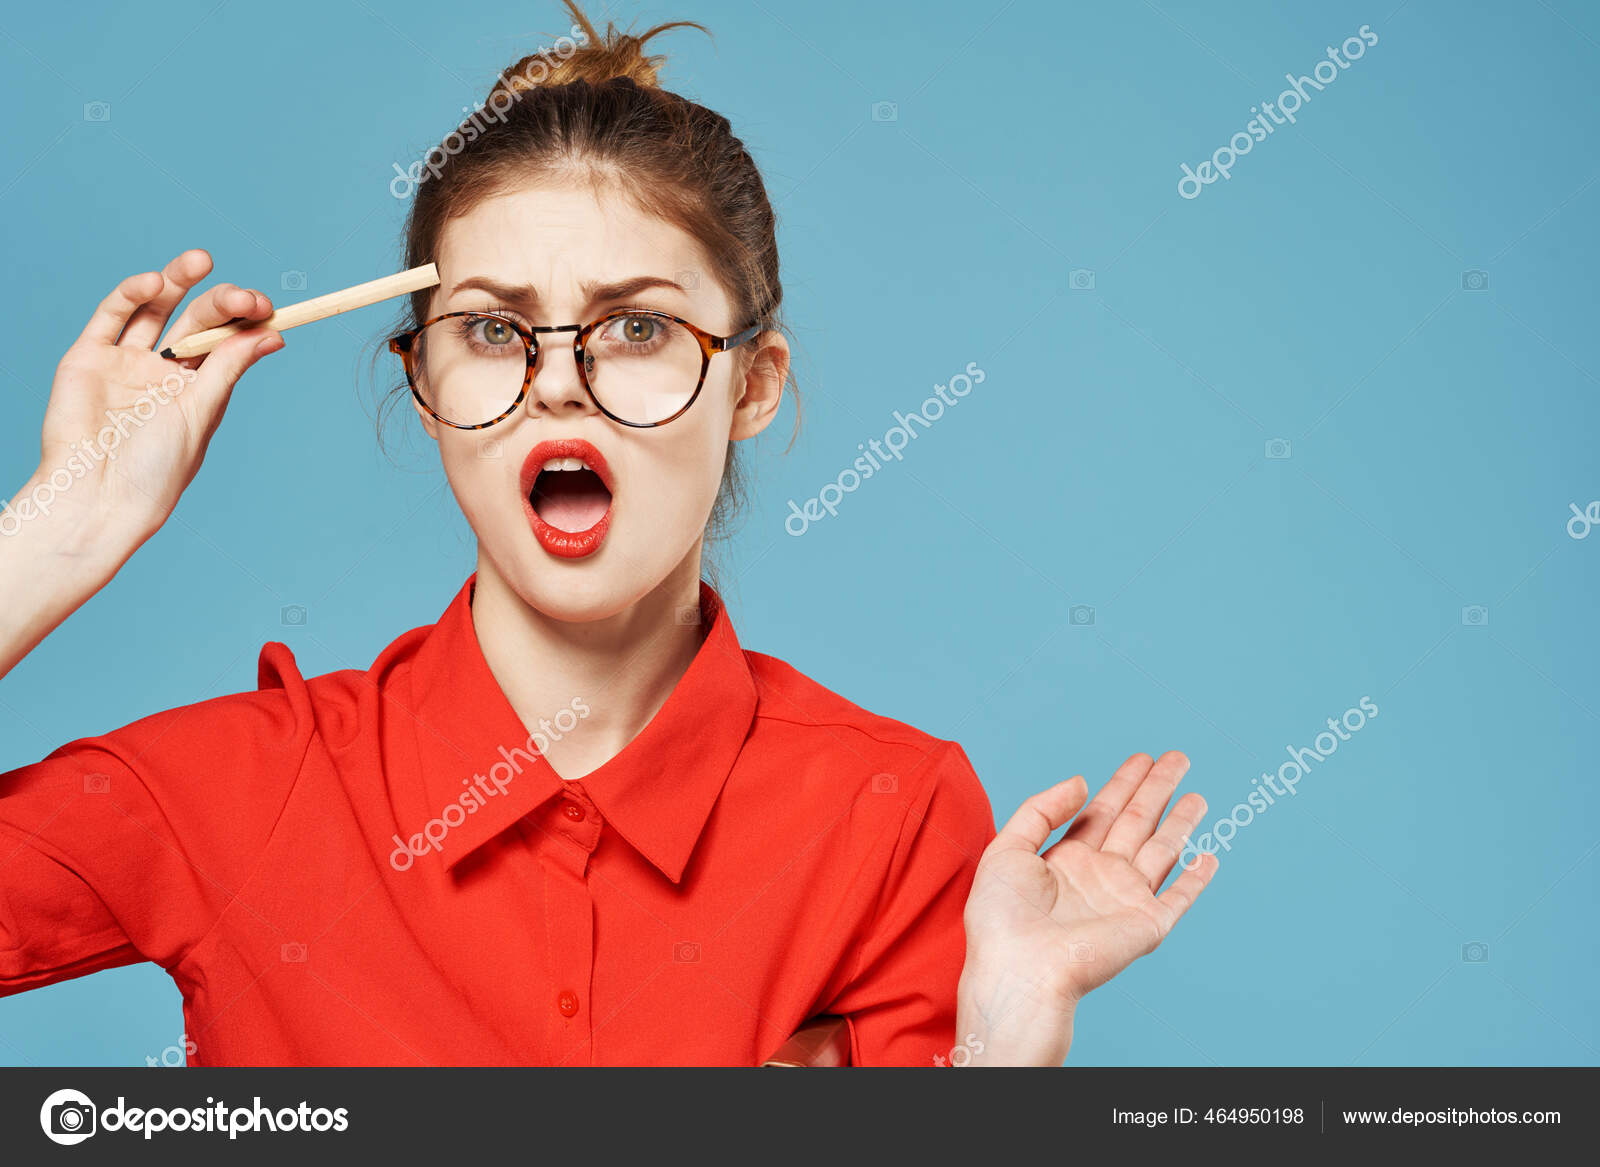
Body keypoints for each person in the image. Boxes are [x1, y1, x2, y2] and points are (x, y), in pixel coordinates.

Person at [0, 0, 1215, 1067]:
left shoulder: (887, 811)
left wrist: (1000, 1059)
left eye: (636, 329)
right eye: (490, 329)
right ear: (420, 382)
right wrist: (62, 528)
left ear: (752, 385)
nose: (560, 385)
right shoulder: (239, 793)